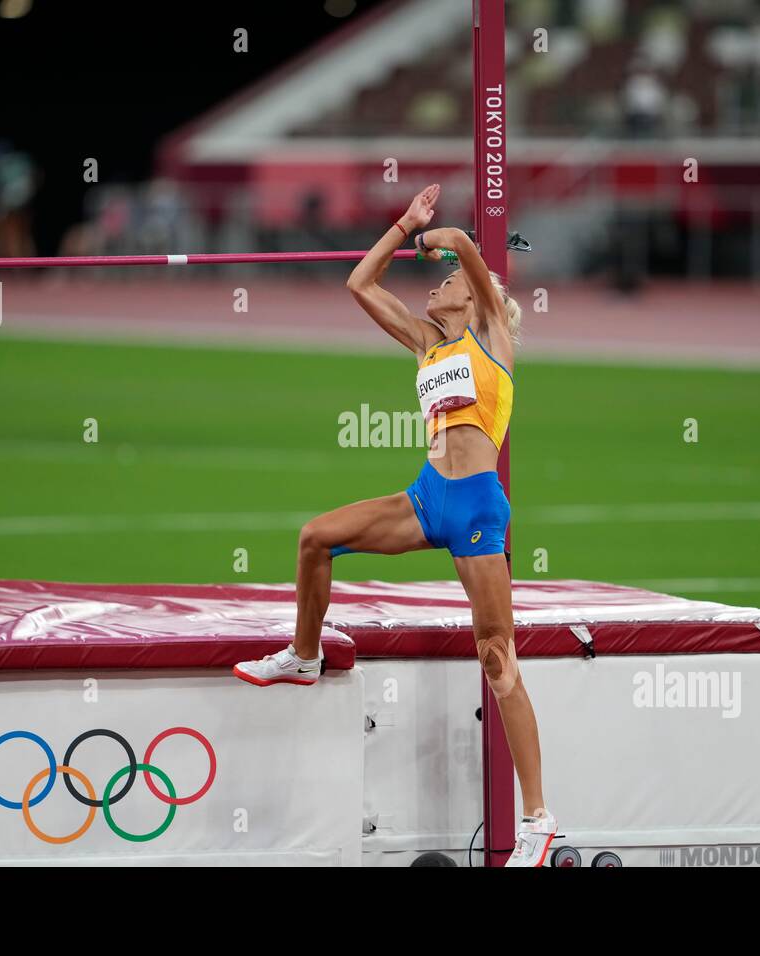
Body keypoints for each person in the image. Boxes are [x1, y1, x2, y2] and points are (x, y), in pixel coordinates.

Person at [232, 184, 556, 867]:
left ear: (470, 297)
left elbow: (467, 249)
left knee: (498, 660)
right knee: (315, 537)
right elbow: (359, 282)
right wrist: (405, 224)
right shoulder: (425, 344)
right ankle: (304, 656)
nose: (435, 288)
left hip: (474, 506)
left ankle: (538, 818)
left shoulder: (492, 335)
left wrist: (450, 241)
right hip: (428, 494)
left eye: (445, 283)